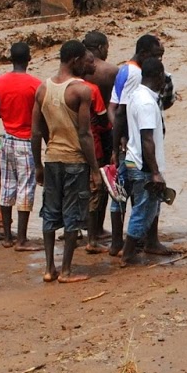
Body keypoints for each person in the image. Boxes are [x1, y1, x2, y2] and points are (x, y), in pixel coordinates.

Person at [30, 40, 98, 283]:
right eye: (85, 60)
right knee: (73, 215)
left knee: (49, 214)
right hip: (74, 161)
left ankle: (49, 269)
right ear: (75, 61)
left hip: (51, 160)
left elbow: (36, 133)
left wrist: (38, 165)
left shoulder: (42, 89)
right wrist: (95, 170)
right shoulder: (81, 90)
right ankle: (66, 270)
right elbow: (85, 134)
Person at [121, 57, 172, 264]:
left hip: (136, 160)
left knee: (152, 205)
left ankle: (151, 243)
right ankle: (128, 253)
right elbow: (147, 138)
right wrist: (155, 172)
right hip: (143, 165)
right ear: (159, 77)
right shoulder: (146, 103)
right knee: (143, 209)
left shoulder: (136, 95)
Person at [0, 42, 42, 250]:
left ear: (10, 59)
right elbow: (41, 119)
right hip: (26, 140)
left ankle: (6, 237)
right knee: (25, 189)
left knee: (6, 186)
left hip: (7, 139)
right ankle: (21, 239)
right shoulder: (36, 85)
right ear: (29, 59)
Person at [81, 31, 116, 254]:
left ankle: (75, 228)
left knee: (79, 182)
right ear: (101, 47)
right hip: (101, 131)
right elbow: (116, 105)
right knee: (100, 180)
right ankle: (97, 230)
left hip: (75, 133)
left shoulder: (76, 71)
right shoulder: (111, 71)